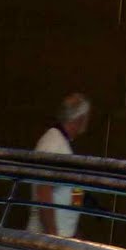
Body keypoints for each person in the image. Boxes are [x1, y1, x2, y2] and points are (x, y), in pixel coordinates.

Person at [27, 93, 92, 238]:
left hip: (63, 237)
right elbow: (44, 191)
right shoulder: (53, 145)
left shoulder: (62, 144)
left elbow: (73, 189)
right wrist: (52, 235)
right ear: (80, 118)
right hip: (48, 239)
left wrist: (74, 230)